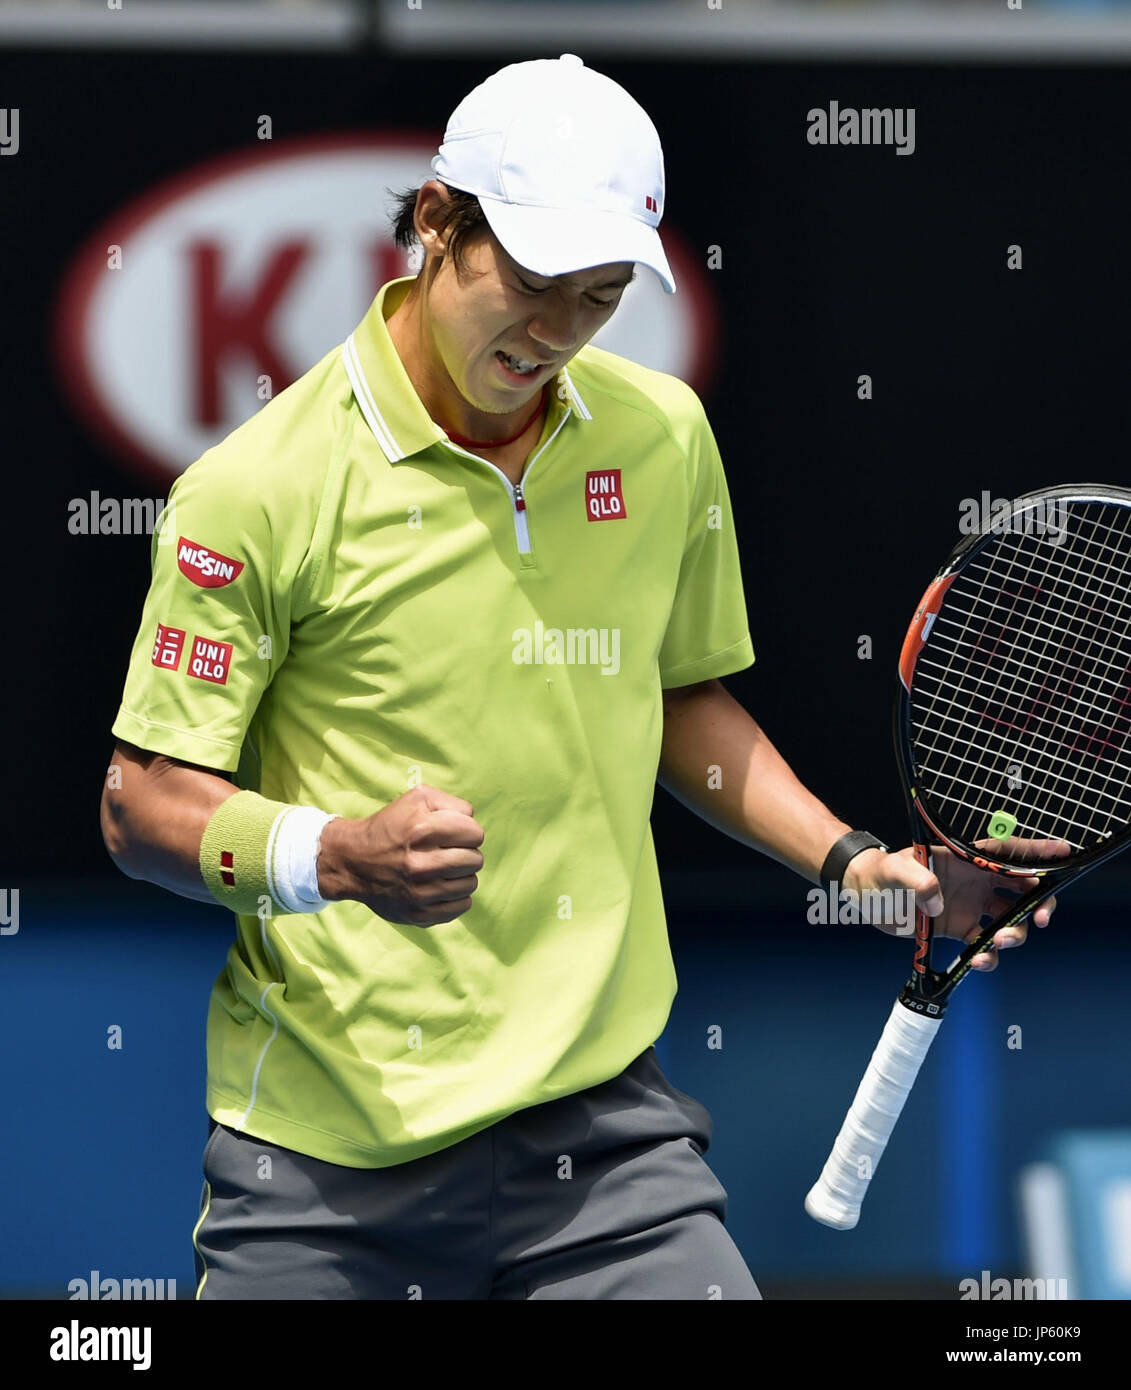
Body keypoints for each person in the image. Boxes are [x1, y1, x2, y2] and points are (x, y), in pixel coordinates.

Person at [100, 54, 1056, 1301]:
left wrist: (850, 862)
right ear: (437, 221)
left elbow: (675, 699)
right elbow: (141, 807)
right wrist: (337, 856)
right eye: (535, 282)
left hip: (604, 1150)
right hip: (325, 1172)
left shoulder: (661, 437)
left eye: (600, 296)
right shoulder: (255, 488)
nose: (556, 333)